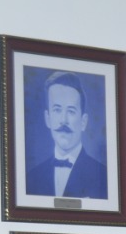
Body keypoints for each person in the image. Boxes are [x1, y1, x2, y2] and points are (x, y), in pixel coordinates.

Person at [26, 71, 108, 199]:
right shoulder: (30, 178)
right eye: (57, 110)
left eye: (71, 111)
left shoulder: (104, 178)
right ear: (48, 118)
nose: (63, 120)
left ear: (83, 122)